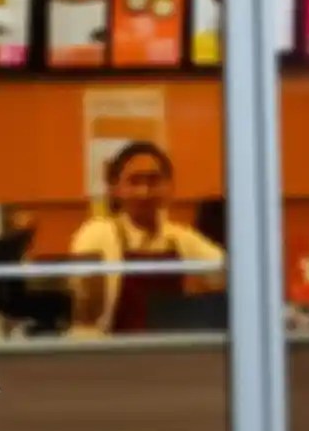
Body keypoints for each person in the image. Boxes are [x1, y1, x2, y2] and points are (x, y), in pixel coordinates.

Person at [69, 141, 224, 333]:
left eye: (153, 180)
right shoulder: (96, 235)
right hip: (110, 354)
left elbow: (225, 274)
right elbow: (85, 312)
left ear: (169, 186)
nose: (144, 192)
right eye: (134, 181)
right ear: (115, 189)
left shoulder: (179, 238)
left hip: (164, 353)